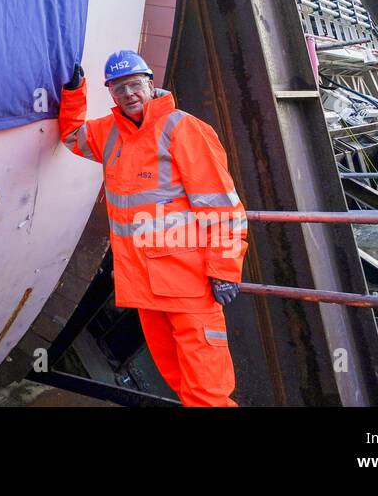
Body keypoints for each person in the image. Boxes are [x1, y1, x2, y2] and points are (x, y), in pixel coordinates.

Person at [58, 49, 248, 406]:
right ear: (111, 94)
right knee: (178, 381)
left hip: (188, 287)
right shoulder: (109, 133)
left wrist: (224, 269)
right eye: (118, 89)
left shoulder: (183, 128)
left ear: (149, 83)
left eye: (133, 85)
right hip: (144, 290)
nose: (128, 94)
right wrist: (74, 90)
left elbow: (220, 205)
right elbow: (71, 136)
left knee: (208, 390)